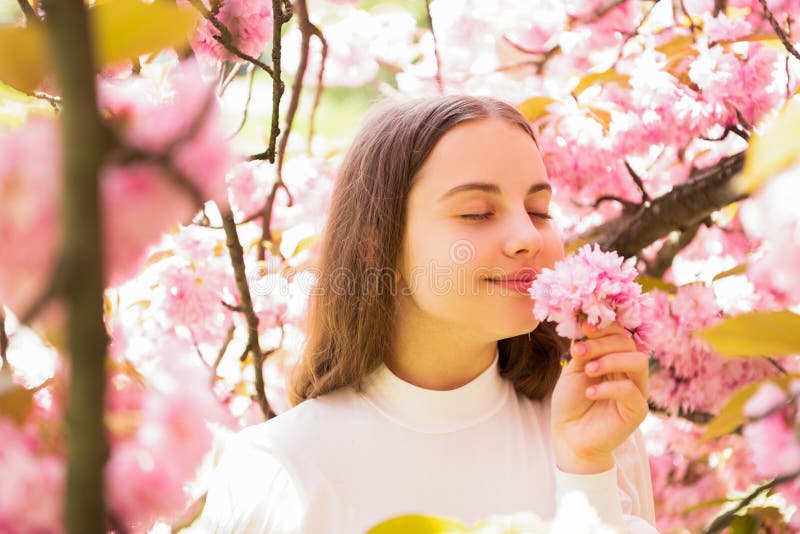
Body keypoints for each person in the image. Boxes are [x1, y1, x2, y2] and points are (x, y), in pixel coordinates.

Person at [197, 95, 658, 533]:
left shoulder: (596, 430)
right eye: (477, 213)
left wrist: (585, 470)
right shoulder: (277, 469)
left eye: (538, 211)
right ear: (378, 247)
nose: (528, 237)